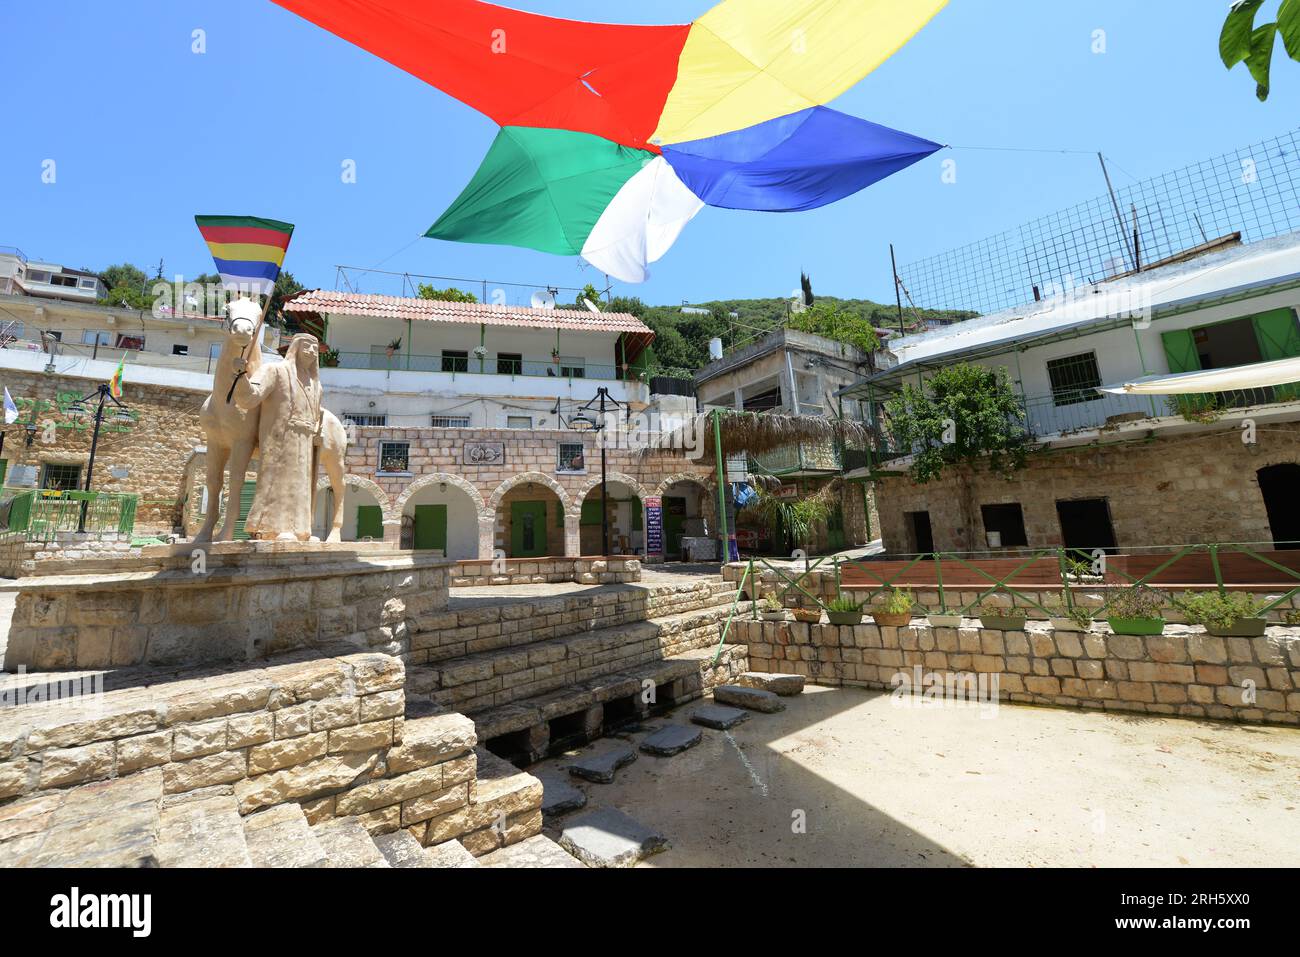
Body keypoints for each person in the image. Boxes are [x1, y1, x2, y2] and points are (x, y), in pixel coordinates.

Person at [231, 334, 322, 541]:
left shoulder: (316, 384)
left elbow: (315, 414)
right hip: (280, 437)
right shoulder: (275, 370)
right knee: (280, 481)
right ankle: (273, 527)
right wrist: (239, 376)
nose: (311, 351)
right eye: (306, 346)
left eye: (315, 348)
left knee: (301, 486)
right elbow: (250, 397)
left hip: (305, 441)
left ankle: (300, 529)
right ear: (295, 348)